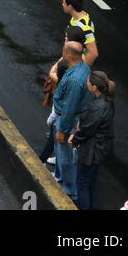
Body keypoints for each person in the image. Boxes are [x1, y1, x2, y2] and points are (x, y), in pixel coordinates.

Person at [52, 40, 90, 202]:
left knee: (66, 155)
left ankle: (68, 190)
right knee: (64, 153)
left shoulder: (74, 80)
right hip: (73, 117)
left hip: (67, 120)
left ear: (68, 54)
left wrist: (62, 131)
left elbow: (69, 107)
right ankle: (61, 179)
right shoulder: (83, 67)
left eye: (64, 50)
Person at [71, 70, 114, 210]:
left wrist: (75, 139)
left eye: (89, 81)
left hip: (91, 151)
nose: (87, 83)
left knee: (82, 184)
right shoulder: (107, 101)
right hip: (99, 150)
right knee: (91, 183)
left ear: (94, 87)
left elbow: (88, 129)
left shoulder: (98, 107)